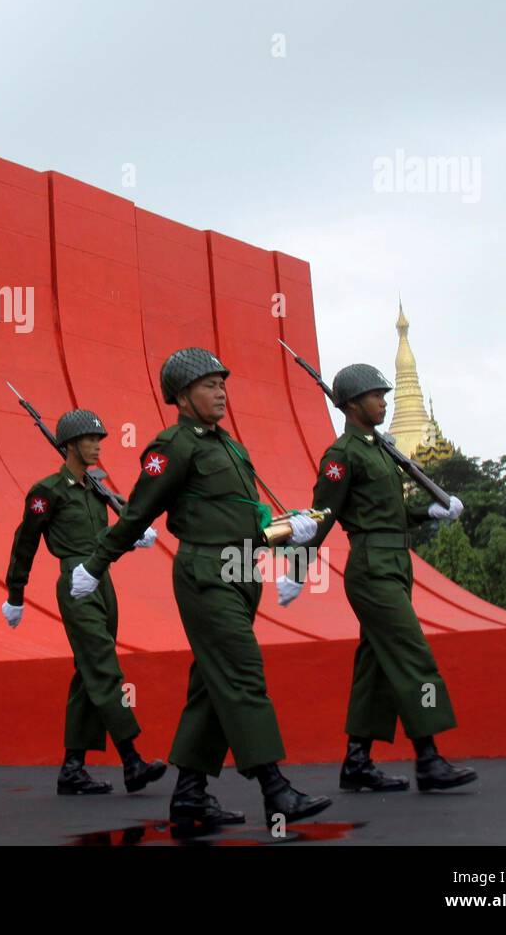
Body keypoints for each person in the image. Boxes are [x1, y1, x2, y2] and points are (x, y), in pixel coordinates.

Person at [76, 348, 330, 831]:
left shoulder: (230, 447)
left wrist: (286, 532)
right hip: (207, 572)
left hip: (241, 570)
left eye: (222, 384)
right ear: (182, 395)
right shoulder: (173, 446)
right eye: (210, 385)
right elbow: (137, 512)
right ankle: (275, 789)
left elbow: (247, 513)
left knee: (213, 686)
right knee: (242, 673)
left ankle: (190, 795)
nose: (220, 393)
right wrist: (95, 564)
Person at [310, 363, 477, 793]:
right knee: (411, 653)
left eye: (385, 394)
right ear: (350, 403)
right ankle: (429, 758)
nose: (384, 401)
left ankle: (357, 762)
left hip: (397, 562)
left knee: (378, 666)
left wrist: (430, 511)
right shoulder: (341, 455)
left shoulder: (380, 450)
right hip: (371, 567)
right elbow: (322, 514)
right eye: (375, 395)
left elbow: (395, 513)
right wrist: (296, 565)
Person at [3, 408, 167, 796]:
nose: (97, 445)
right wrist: (15, 594)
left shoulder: (97, 487)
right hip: (76, 585)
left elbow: (112, 535)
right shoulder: (48, 492)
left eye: (100, 439)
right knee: (104, 667)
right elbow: (24, 542)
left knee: (88, 674)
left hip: (102, 580)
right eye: (90, 439)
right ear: (70, 444)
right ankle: (131, 760)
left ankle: (72, 769)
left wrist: (133, 534)